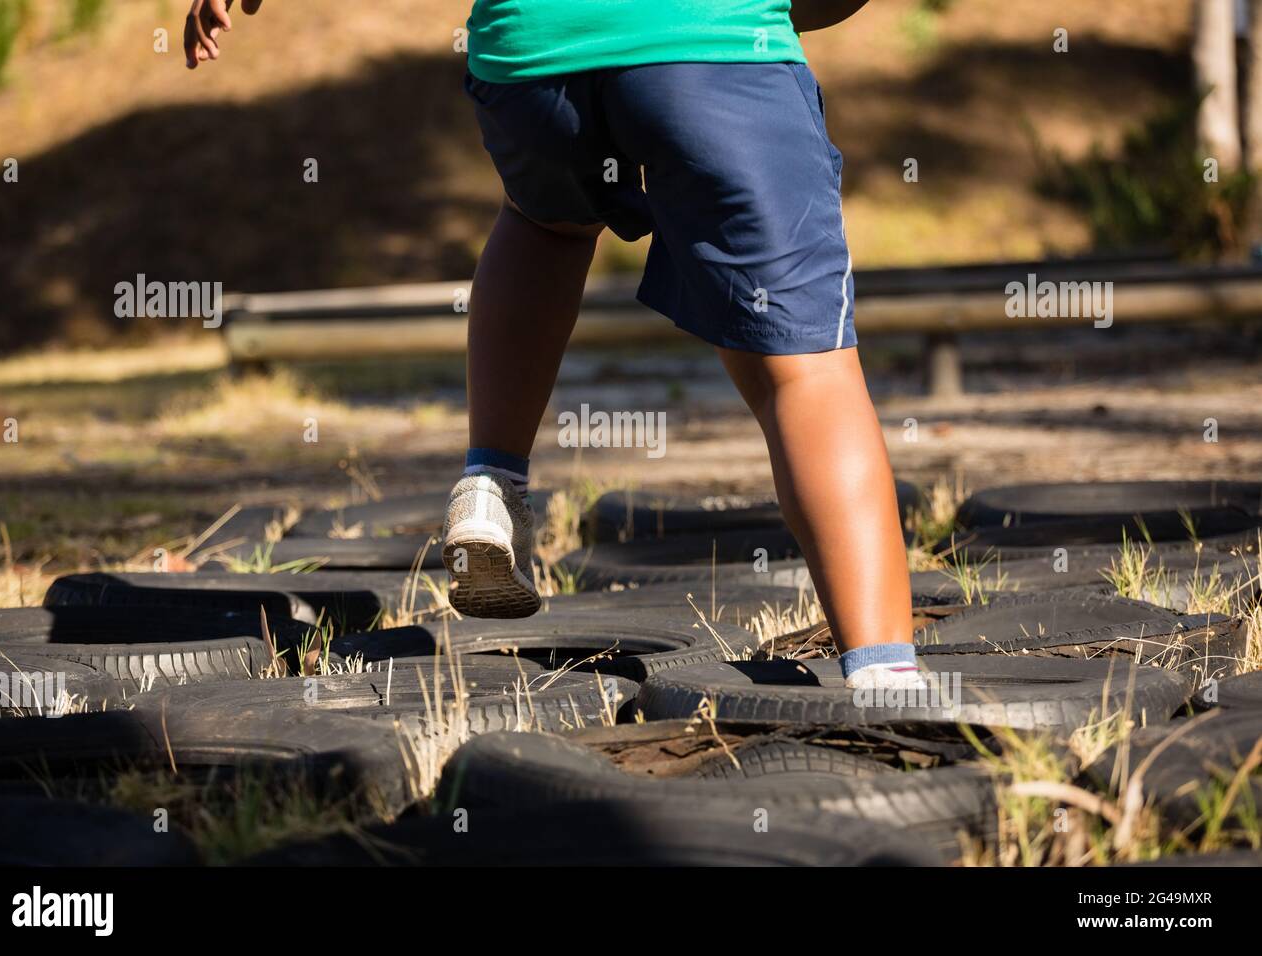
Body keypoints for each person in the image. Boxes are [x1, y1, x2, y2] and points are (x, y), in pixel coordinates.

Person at [184, 0, 925, 690]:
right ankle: (886, 680)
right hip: (712, 44)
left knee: (546, 222)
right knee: (805, 375)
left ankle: (490, 483)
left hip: (532, 56)